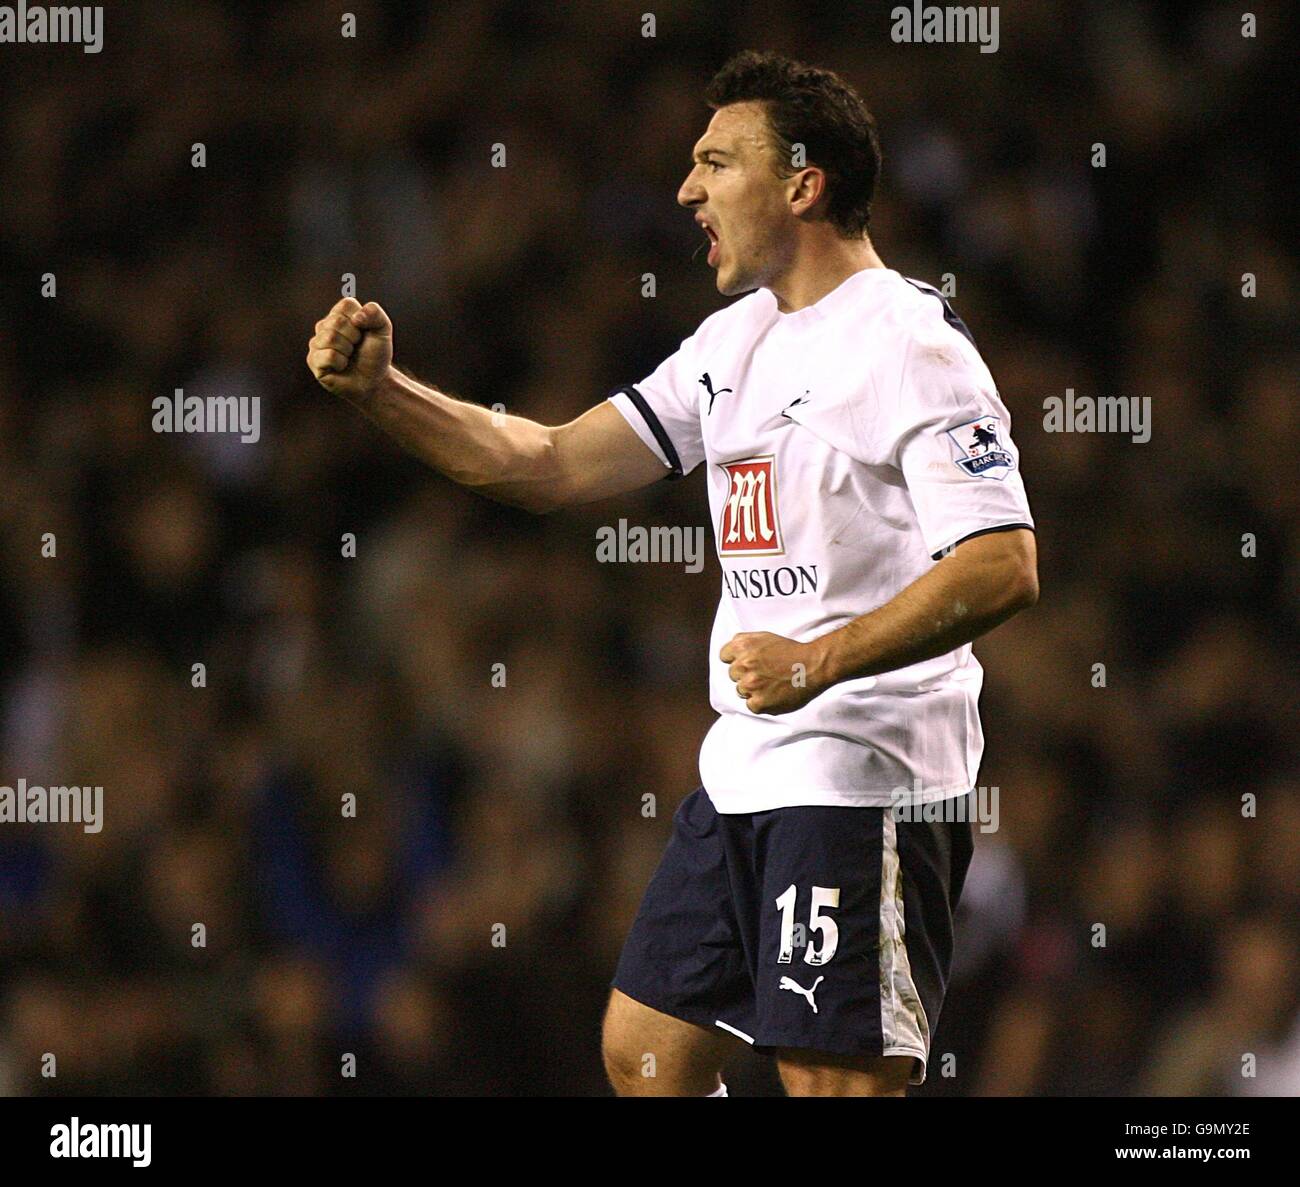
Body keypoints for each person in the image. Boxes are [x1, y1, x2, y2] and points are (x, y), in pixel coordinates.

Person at [306, 50, 1038, 1097]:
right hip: (747, 766)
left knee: (834, 1082)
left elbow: (1003, 562)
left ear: (801, 183)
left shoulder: (908, 342)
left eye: (715, 162)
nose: (687, 188)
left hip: (863, 773)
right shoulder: (731, 342)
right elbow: (550, 462)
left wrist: (819, 659)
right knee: (646, 1048)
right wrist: (384, 393)